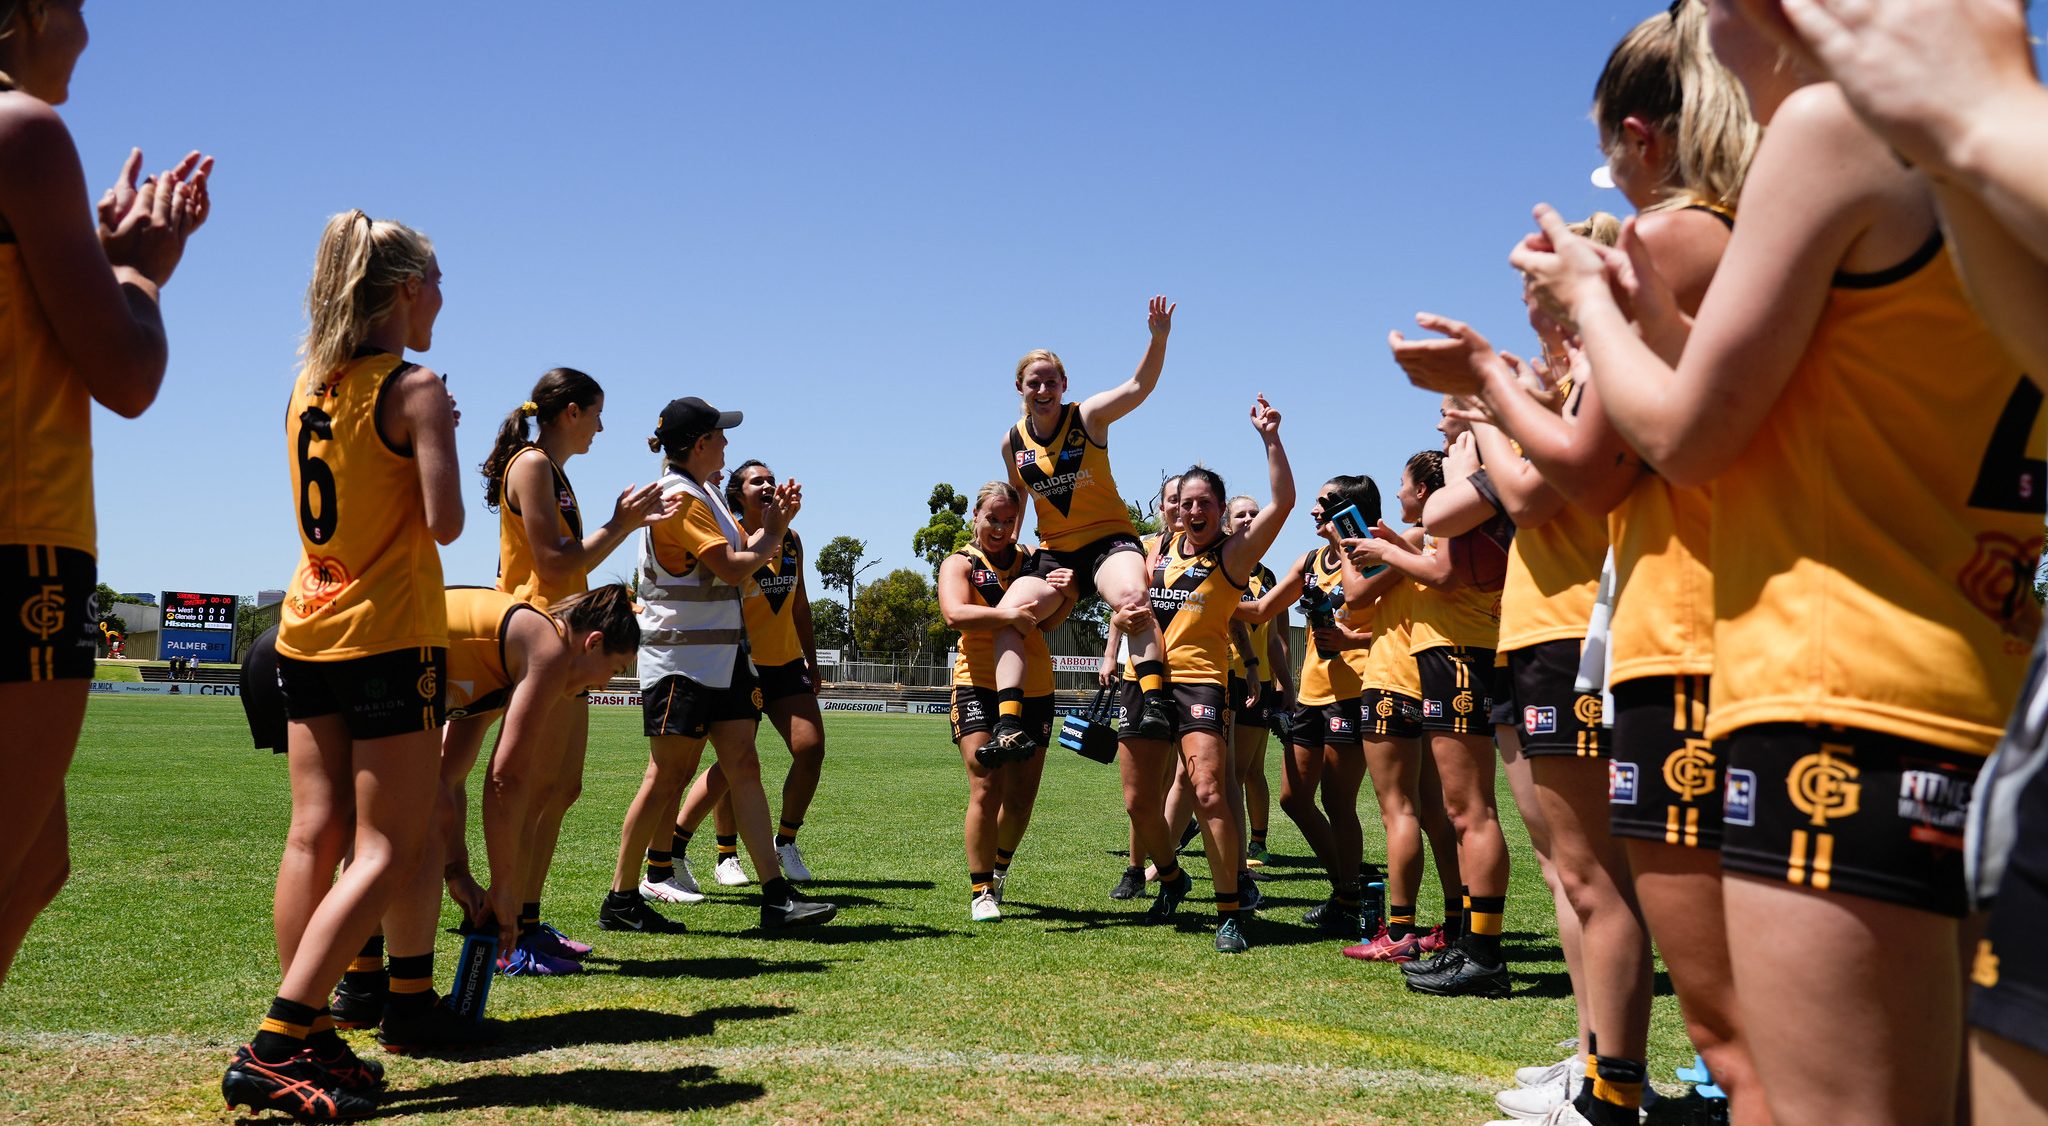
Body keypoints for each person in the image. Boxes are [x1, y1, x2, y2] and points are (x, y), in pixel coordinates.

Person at [1514, 3, 2040, 1118]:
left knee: (1764, 1068)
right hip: (1981, 677)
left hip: (1829, 681)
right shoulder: (1993, 148)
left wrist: (1585, 310)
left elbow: (1680, 439)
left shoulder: (1830, 126)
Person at [222, 210, 459, 1120]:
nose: (440, 300)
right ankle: (281, 1038)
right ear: (406, 290)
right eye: (436, 283)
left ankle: (316, 1032)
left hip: (305, 624)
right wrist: (440, 426)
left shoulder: (308, 383)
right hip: (388, 633)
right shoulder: (416, 385)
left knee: (311, 834)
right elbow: (444, 521)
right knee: (387, 846)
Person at [239, 586, 638, 1048]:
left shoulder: (501, 658)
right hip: (325, 657)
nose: (606, 685)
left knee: (380, 822)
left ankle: (363, 988)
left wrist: (459, 873)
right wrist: (507, 888)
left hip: (297, 649)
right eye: (614, 669)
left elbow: (447, 781)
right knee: (387, 827)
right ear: (591, 642)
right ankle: (403, 1006)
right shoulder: (546, 645)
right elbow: (506, 780)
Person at [603, 397, 835, 934]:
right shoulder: (679, 497)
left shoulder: (701, 492)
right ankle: (621, 896)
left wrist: (776, 523)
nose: (728, 445)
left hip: (721, 659)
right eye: (720, 436)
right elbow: (730, 570)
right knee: (665, 776)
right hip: (682, 660)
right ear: (701, 444)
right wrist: (773, 534)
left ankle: (775, 897)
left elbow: (738, 557)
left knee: (744, 766)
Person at [481, 367, 671, 974]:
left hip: (561, 642)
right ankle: (514, 933)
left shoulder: (552, 471)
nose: (601, 426)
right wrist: (622, 524)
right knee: (535, 790)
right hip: (536, 640)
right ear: (570, 412)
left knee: (561, 790)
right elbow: (552, 561)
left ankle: (530, 923)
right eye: (595, 414)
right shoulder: (533, 465)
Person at [1116, 395, 1293, 953]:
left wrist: (1269, 438)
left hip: (1200, 683)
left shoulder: (1233, 557)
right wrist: (1119, 621)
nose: (1195, 512)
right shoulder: (1152, 550)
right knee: (1138, 803)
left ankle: (1231, 910)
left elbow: (1283, 502)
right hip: (1142, 681)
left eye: (1205, 504)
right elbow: (1122, 599)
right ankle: (1171, 878)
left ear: (1219, 509)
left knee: (1210, 791)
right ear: (1174, 508)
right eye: (1187, 503)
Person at [1348, 446, 1512, 1000]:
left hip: (1453, 658)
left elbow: (1431, 579)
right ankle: (1468, 938)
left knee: (1459, 811)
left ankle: (1459, 946)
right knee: (1456, 813)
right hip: (1442, 660)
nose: (1397, 492)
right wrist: (1392, 544)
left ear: (1428, 490)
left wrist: (1380, 551)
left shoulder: (1445, 526)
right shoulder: (1434, 531)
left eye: (1403, 482)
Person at [990, 297, 1178, 761]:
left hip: (1109, 542)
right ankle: (1009, 725)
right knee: (1010, 618)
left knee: (1133, 600)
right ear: (1020, 387)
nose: (1043, 389)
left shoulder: (1087, 417)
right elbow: (1016, 499)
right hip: (1056, 553)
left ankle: (1155, 702)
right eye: (1034, 382)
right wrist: (1016, 542)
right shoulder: (1012, 442)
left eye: (1051, 381)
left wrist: (1158, 339)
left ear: (1064, 384)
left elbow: (1139, 386)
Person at [659, 459, 830, 897]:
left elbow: (800, 606)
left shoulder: (790, 541)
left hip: (787, 663)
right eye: (758, 481)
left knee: (810, 750)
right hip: (741, 663)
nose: (769, 485)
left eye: (772, 479)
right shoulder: (731, 539)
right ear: (737, 495)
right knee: (732, 765)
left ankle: (786, 842)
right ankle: (713, 853)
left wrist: (812, 662)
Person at [1238, 476, 1382, 938]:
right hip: (1311, 694)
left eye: (1324, 503)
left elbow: (1401, 629)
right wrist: (1205, 598)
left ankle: (1347, 897)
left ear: (1348, 508)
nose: (1314, 510)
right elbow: (1261, 612)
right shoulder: (1310, 561)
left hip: (1356, 691)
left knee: (1338, 803)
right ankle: (1351, 885)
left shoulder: (1376, 558)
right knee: (1294, 799)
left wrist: (1351, 638)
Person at [938, 483, 1073, 920]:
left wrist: (1068, 595)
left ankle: (999, 870)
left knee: (1019, 800)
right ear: (975, 516)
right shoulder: (959, 563)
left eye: (1008, 520)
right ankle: (981, 890)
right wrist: (1008, 615)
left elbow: (1048, 624)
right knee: (986, 781)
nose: (1000, 528)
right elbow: (954, 614)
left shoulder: (1033, 560)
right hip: (976, 683)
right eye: (992, 518)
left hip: (1034, 688)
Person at [1225, 496, 1289, 872]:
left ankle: (1257, 843)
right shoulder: (1217, 567)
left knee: (1246, 771)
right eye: (1241, 514)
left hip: (1258, 684)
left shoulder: (1268, 577)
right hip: (1219, 678)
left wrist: (1284, 686)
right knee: (1224, 770)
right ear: (1227, 523)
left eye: (1254, 513)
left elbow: (1279, 639)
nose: (1249, 518)